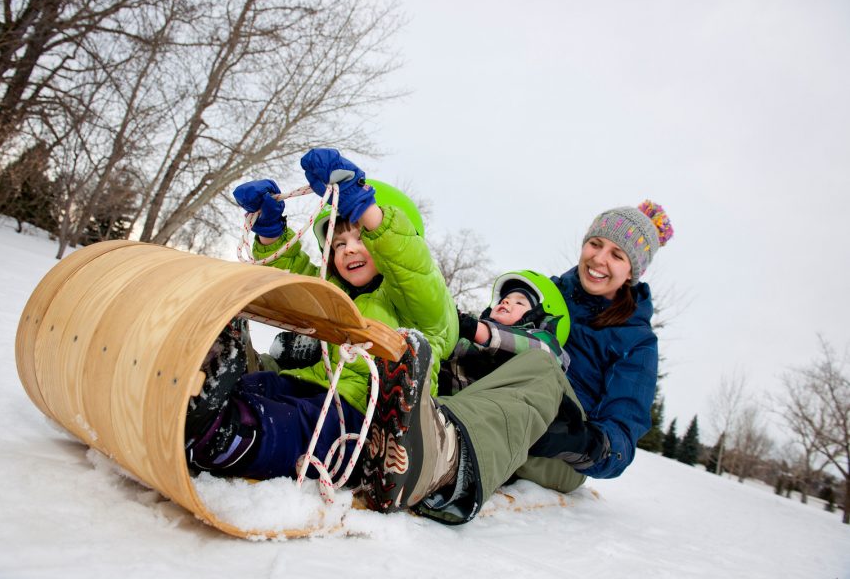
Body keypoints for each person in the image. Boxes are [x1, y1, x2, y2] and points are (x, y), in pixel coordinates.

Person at [360, 200, 673, 524]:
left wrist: (583, 441)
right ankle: (399, 425)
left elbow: (622, 436)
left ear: (632, 272)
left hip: (558, 451)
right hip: (498, 409)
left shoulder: (637, 342)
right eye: (595, 244)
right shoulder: (544, 292)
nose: (599, 258)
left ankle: (440, 454)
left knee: (543, 363)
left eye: (616, 255)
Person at [184, 148, 457, 480]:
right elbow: (292, 276)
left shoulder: (416, 299)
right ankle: (194, 409)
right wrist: (270, 230)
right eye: (338, 244)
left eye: (362, 238)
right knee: (263, 385)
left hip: (372, 420)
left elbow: (411, 266)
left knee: (302, 424)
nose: (349, 249)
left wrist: (362, 204)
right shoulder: (336, 291)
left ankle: (231, 436)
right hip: (319, 385)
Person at [439, 270, 571, 396]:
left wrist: (477, 329)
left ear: (536, 316)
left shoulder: (547, 344)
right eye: (503, 300)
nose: (506, 301)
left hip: (483, 408)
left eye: (519, 302)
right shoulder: (469, 333)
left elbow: (540, 352)